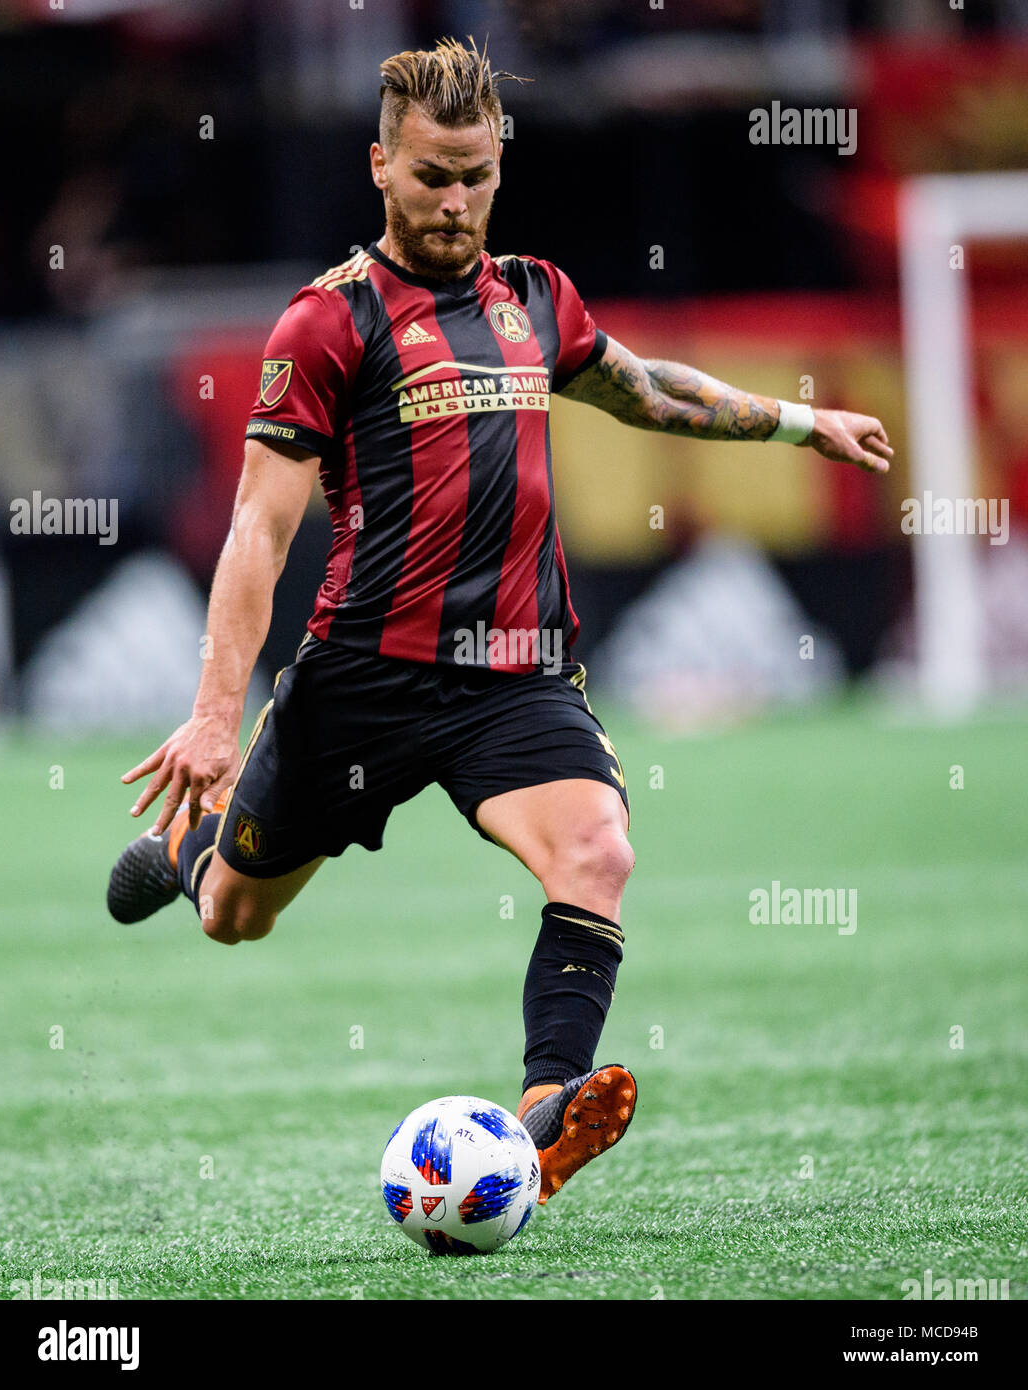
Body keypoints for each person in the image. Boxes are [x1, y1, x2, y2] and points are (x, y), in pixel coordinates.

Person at [108, 36, 891, 1206]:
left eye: (475, 174)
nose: (455, 201)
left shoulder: (534, 296)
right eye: (430, 176)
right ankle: (196, 847)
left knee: (597, 851)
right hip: (361, 683)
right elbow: (256, 537)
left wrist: (793, 421)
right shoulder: (325, 326)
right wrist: (215, 720)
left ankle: (539, 1115)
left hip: (512, 676)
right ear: (379, 165)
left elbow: (646, 389)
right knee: (233, 917)